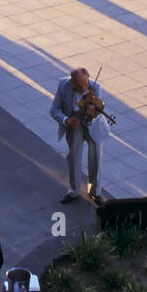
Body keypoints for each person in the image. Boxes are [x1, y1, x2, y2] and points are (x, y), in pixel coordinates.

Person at [50, 67, 108, 206]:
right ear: (72, 83)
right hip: (74, 120)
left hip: (92, 123)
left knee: (96, 157)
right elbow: (54, 109)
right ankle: (74, 190)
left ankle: (95, 191)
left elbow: (97, 111)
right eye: (79, 86)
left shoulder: (96, 87)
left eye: (85, 84)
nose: (83, 88)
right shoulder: (63, 85)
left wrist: (91, 114)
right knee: (74, 156)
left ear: (88, 77)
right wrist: (66, 120)